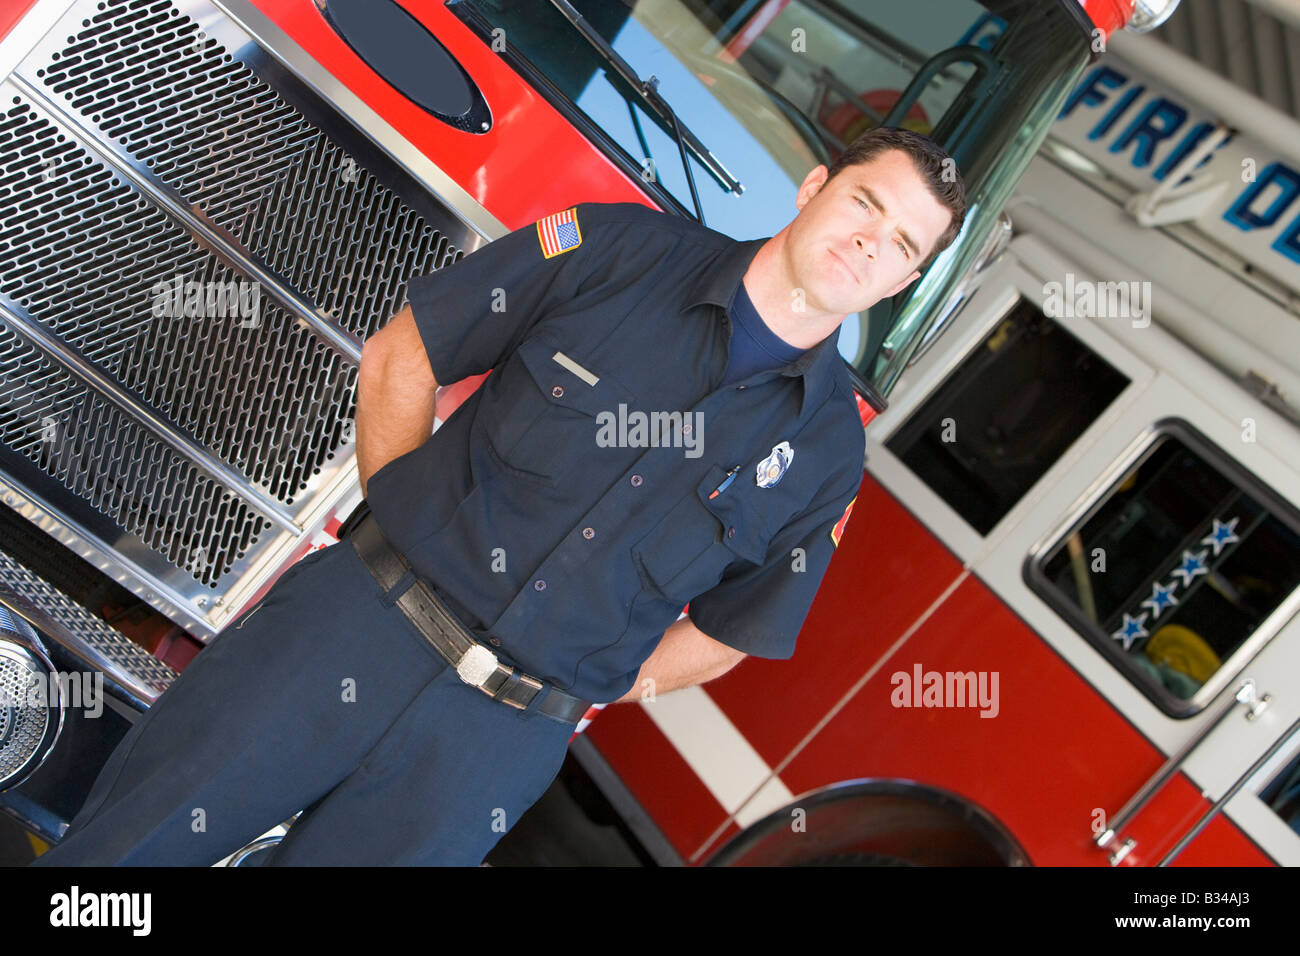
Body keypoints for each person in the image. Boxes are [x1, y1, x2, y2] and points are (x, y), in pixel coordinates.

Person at [31, 126, 966, 867]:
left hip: (489, 748)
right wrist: (399, 521)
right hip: (352, 630)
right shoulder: (616, 247)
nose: (867, 243)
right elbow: (412, 350)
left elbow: (731, 634)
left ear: (907, 277)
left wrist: (588, 679)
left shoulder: (830, 453)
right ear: (812, 189)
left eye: (899, 244)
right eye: (863, 204)